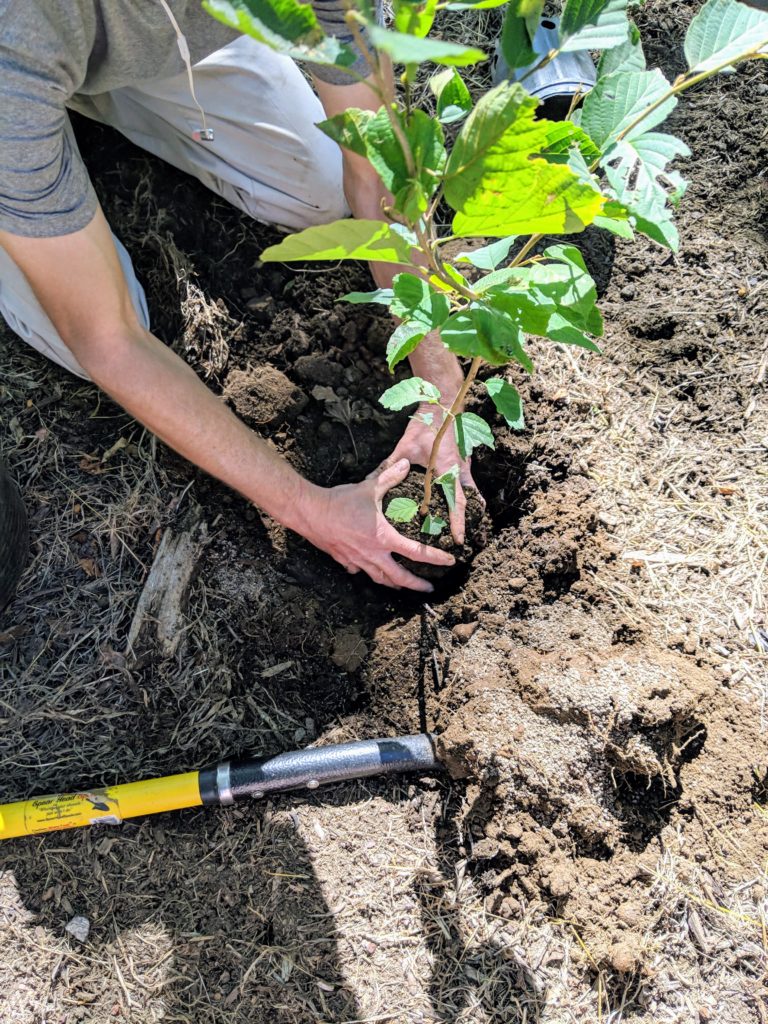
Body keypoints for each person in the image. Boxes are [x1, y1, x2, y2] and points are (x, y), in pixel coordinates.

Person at [0, 1, 478, 595]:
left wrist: (440, 382)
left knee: (320, 190)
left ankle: (92, 101)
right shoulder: (15, 45)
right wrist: (310, 509)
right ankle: (37, 162)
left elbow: (374, 171)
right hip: (19, 85)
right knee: (79, 332)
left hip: (148, 43)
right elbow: (108, 340)